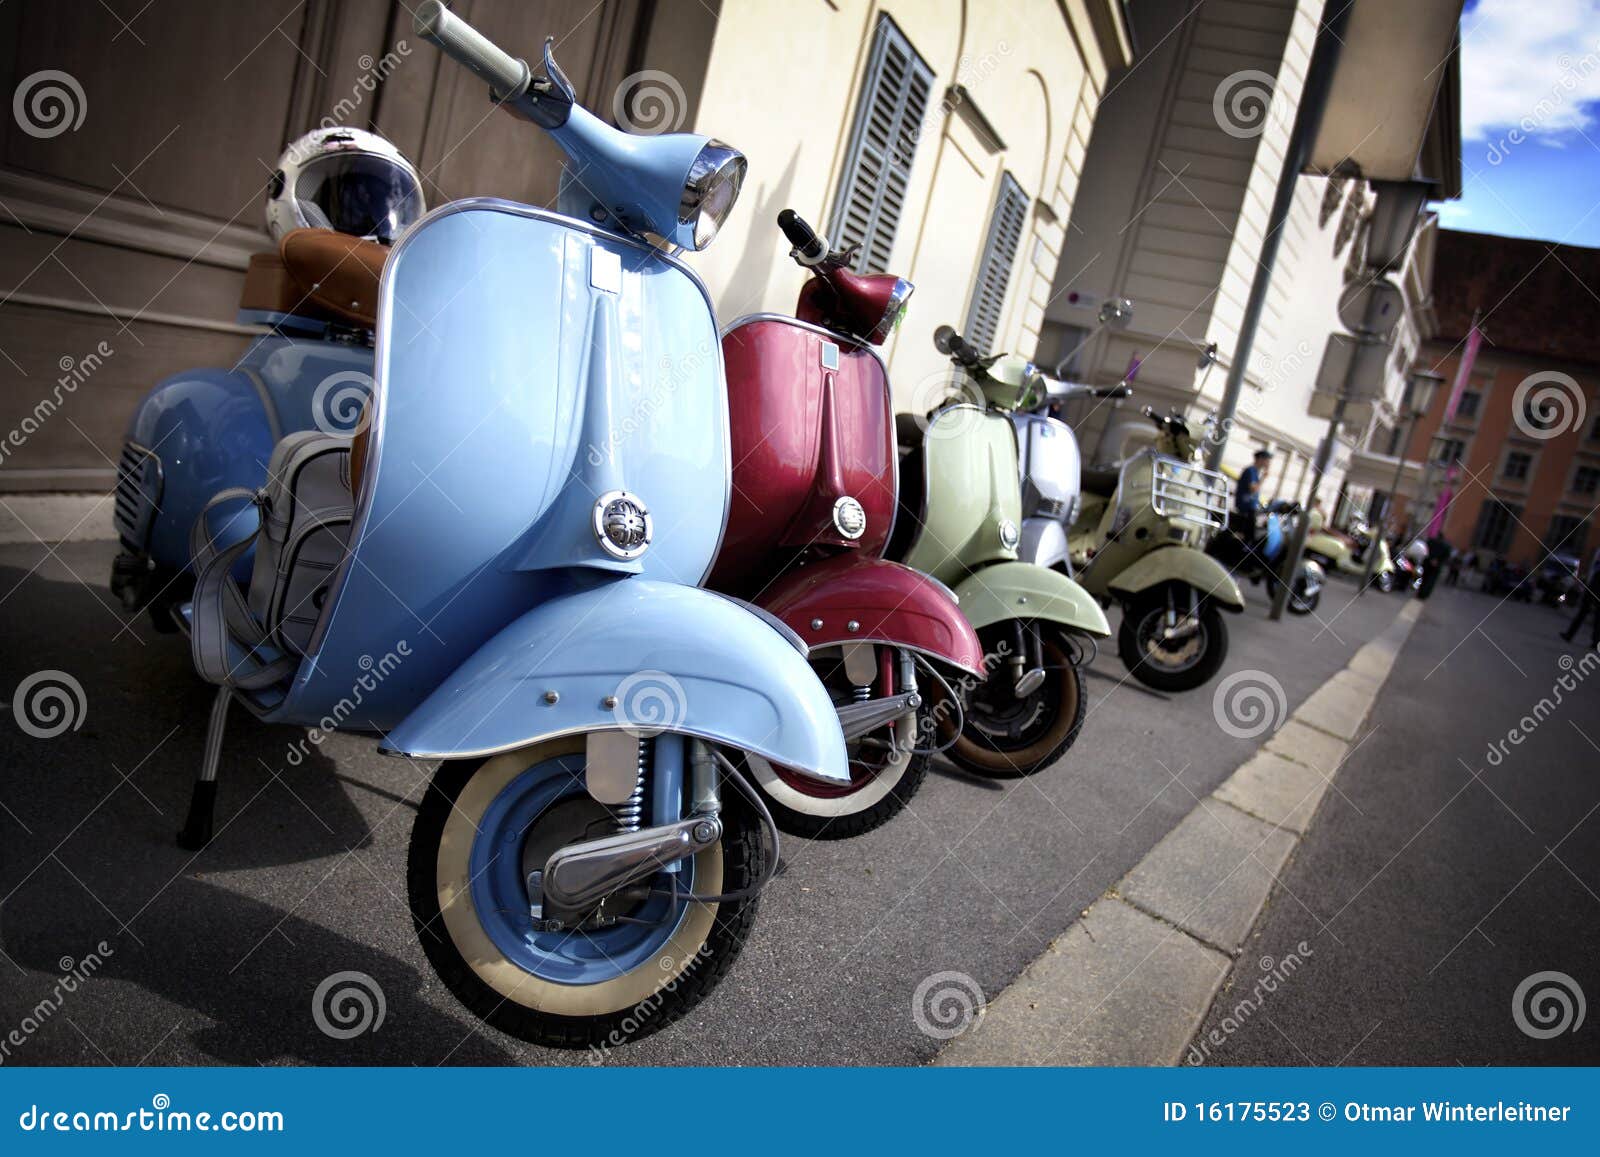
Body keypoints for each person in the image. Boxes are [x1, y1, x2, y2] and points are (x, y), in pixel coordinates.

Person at [1560, 545, 1600, 648]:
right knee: (1592, 614)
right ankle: (1594, 641)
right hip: (1594, 582)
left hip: (1597, 583)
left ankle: (1571, 635)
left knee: (1588, 612)